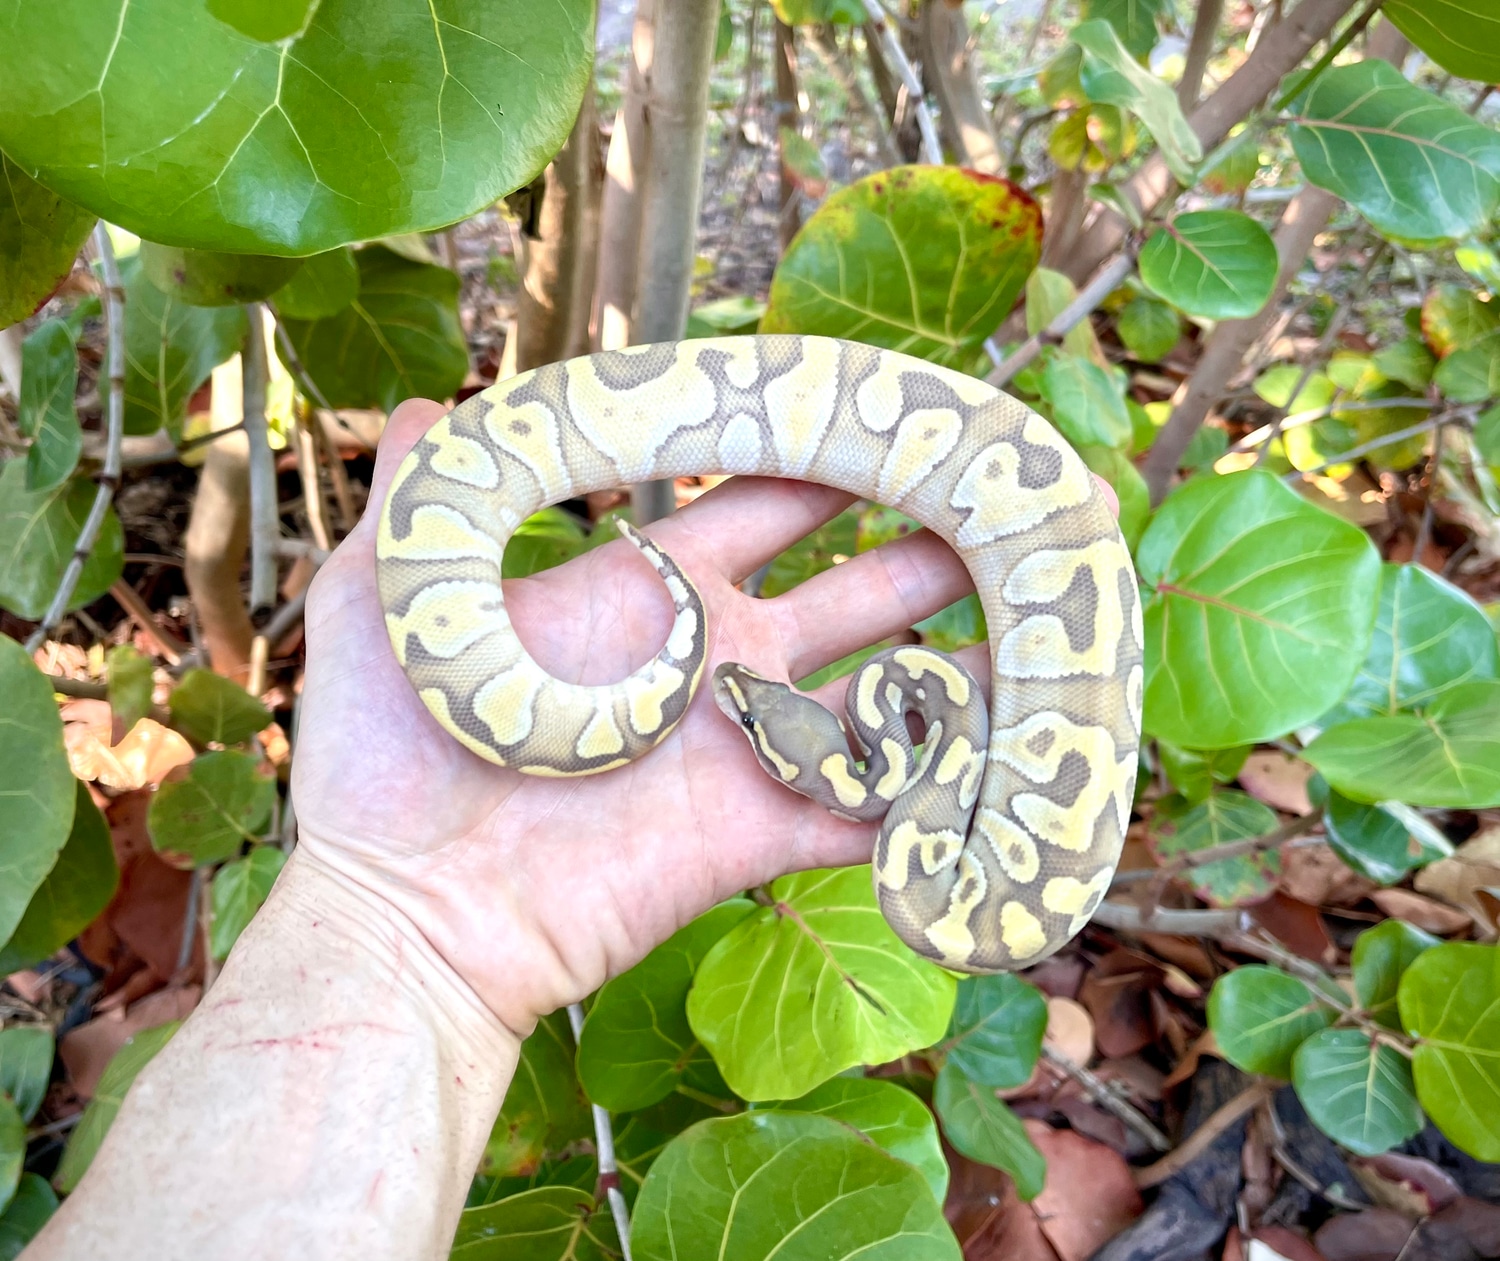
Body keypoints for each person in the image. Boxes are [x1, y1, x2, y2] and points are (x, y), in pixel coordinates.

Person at [25, 397, 1118, 1259]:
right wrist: (387, 922)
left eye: (745, 716)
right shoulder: (911, 738)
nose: (736, 705)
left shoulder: (913, 790)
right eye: (747, 710)